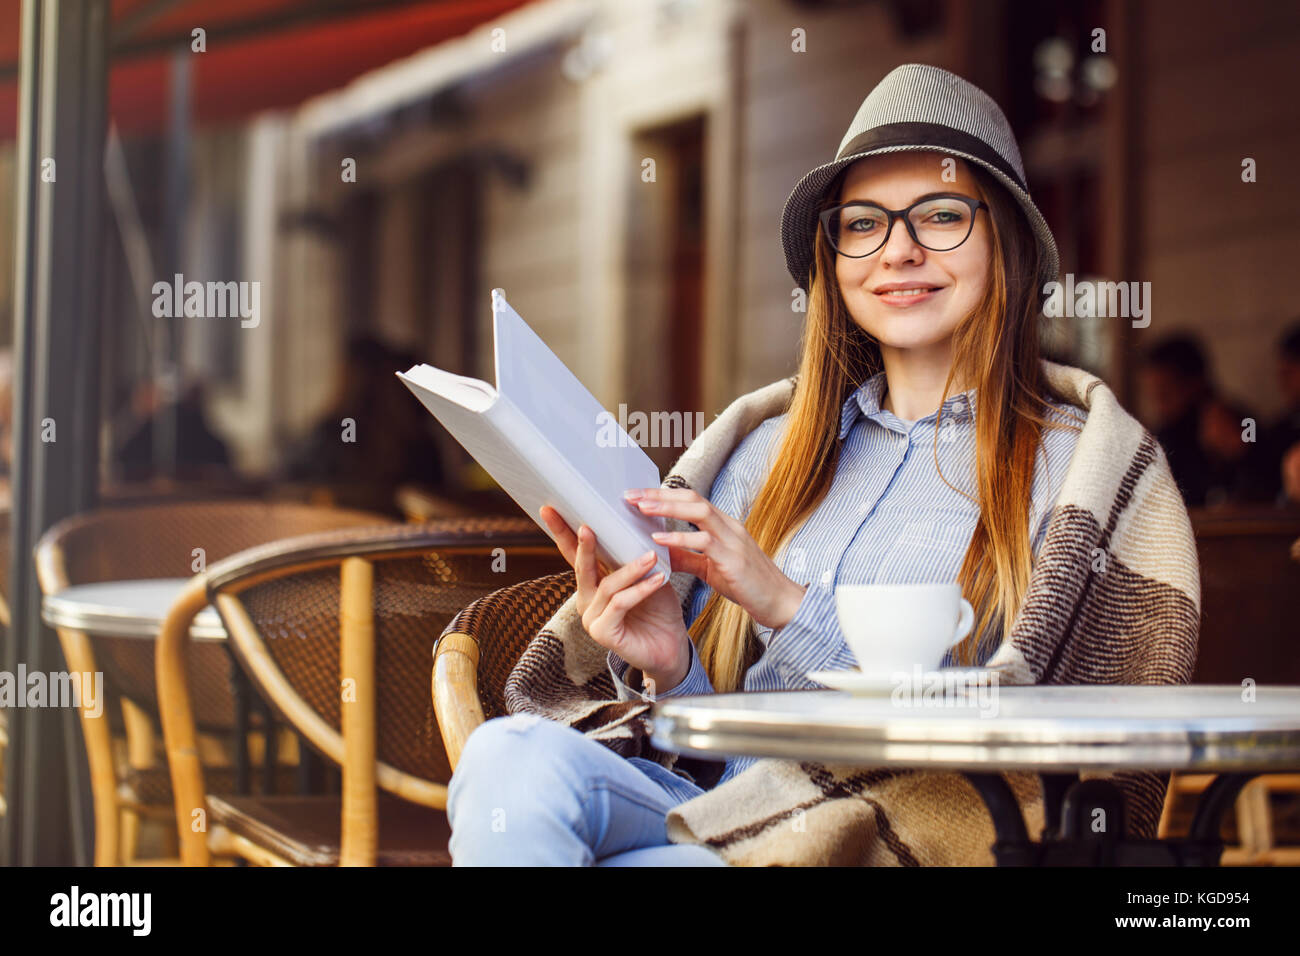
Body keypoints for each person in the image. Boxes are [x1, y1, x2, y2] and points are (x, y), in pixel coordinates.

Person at [444, 65, 1172, 866]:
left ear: (1007, 244)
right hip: (725, 812)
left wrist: (789, 605)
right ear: (835, 259)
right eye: (863, 224)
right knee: (508, 755)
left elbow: (1035, 742)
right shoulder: (767, 452)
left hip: (902, 840)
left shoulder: (1074, 469)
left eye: (939, 215)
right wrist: (671, 666)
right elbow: (713, 755)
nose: (897, 249)